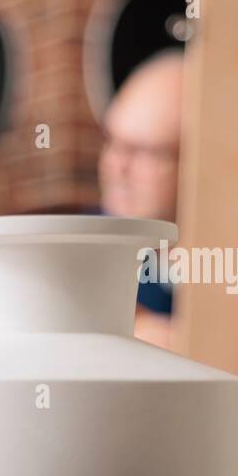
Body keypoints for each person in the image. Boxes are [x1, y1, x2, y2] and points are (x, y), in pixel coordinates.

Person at [97, 49, 184, 349]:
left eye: (143, 151)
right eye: (111, 142)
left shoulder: (230, 262)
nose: (116, 166)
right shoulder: (80, 250)